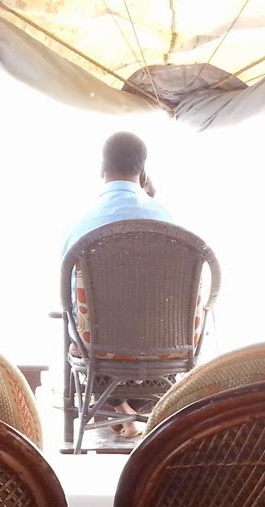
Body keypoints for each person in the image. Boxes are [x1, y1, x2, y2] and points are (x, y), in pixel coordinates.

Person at [60, 132, 179, 440]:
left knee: (79, 331)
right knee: (148, 334)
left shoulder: (80, 222)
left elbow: (69, 297)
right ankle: (139, 410)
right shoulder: (171, 220)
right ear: (143, 170)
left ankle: (116, 408)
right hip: (164, 345)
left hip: (101, 347)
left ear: (102, 168)